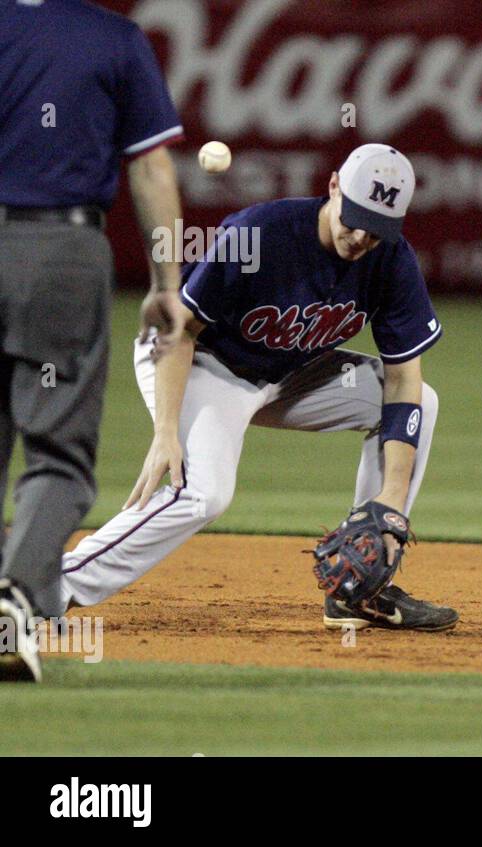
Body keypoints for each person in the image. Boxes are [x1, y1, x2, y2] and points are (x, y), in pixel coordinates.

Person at [55, 143, 459, 635]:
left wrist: (391, 501)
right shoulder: (260, 233)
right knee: (204, 493)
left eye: (376, 228)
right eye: (353, 218)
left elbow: (402, 377)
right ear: (333, 186)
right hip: (201, 363)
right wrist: (166, 430)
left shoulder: (391, 260)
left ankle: (357, 589)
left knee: (423, 401)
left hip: (289, 373)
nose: (360, 236)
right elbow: (181, 331)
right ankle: (50, 586)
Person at [1, 0, 188, 683]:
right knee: (57, 452)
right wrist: (168, 281)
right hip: (60, 249)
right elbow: (152, 169)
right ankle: (14, 600)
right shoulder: (112, 38)